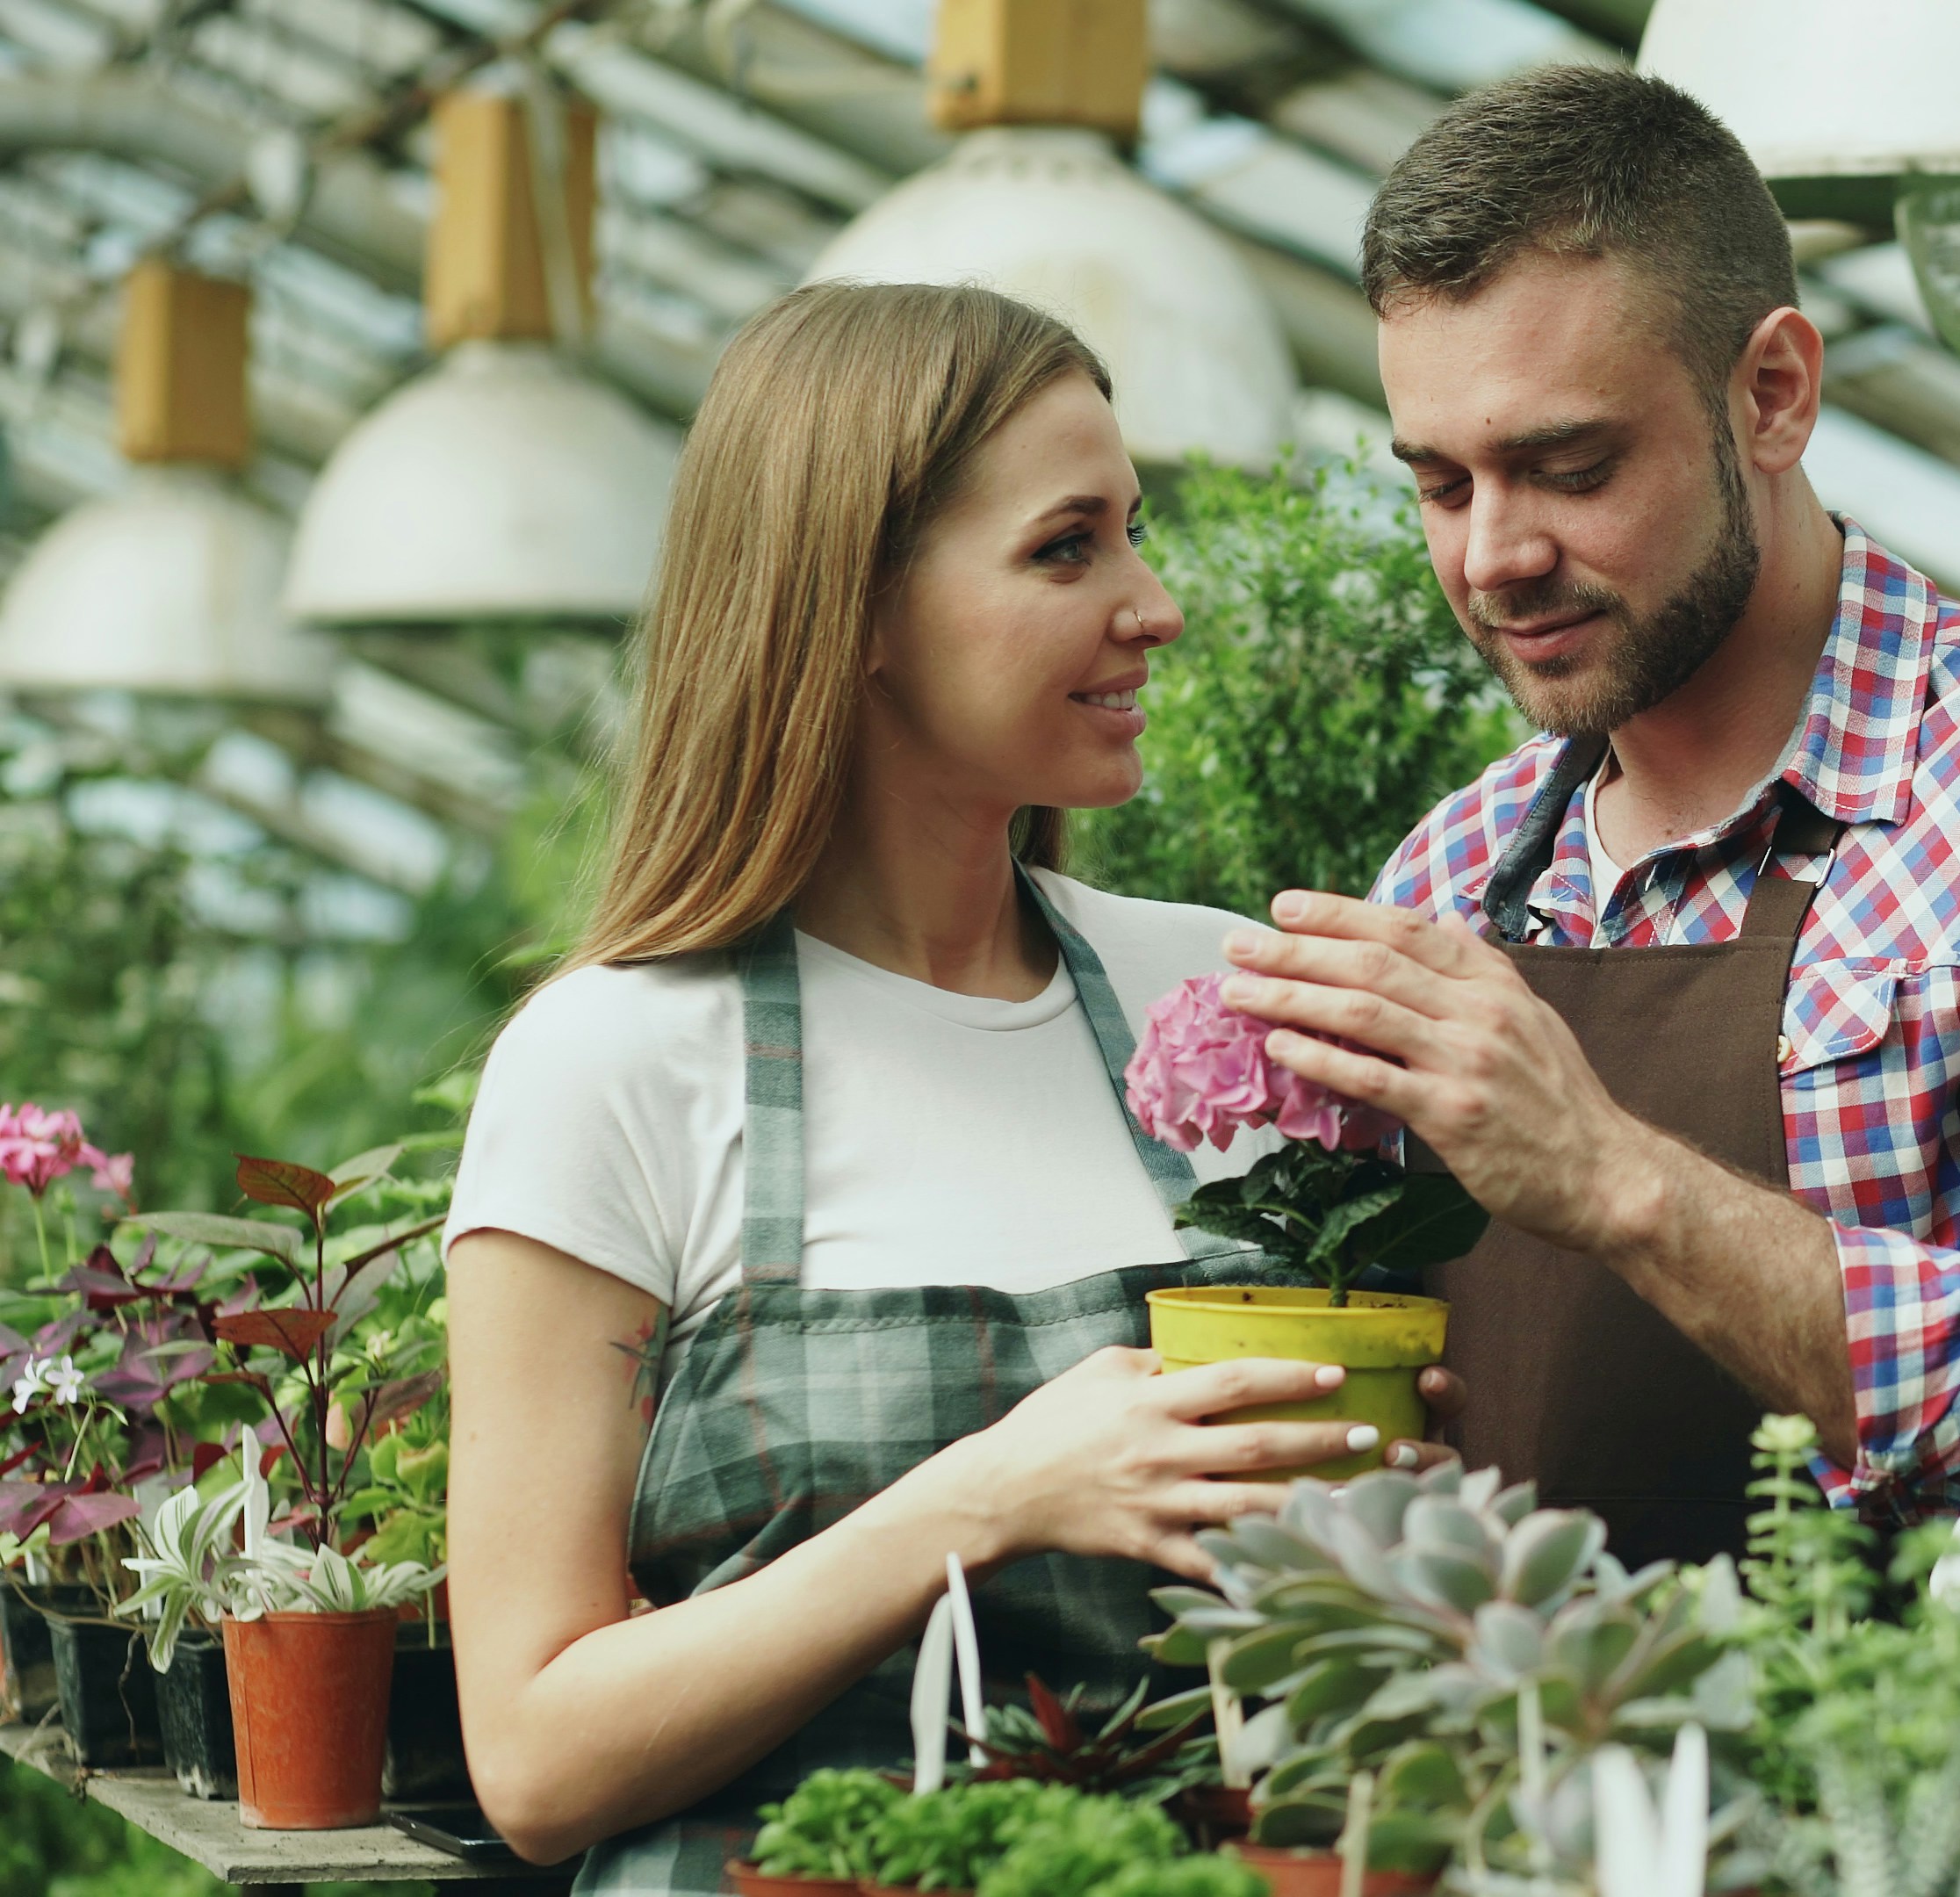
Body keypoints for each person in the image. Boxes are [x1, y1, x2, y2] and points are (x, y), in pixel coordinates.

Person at [1214, 67, 1960, 1579]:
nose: (1495, 556)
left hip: (1900, 1798)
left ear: (1773, 393)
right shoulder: (1462, 870)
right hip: (1485, 1778)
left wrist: (1620, 1178)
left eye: (1570, 466)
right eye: (1440, 484)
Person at [440, 284, 1455, 1885]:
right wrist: (995, 1493)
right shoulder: (617, 1062)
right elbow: (536, 1755)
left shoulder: (1213, 996)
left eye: (1133, 531)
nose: (1154, 603)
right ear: (852, 607)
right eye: (1069, 548)